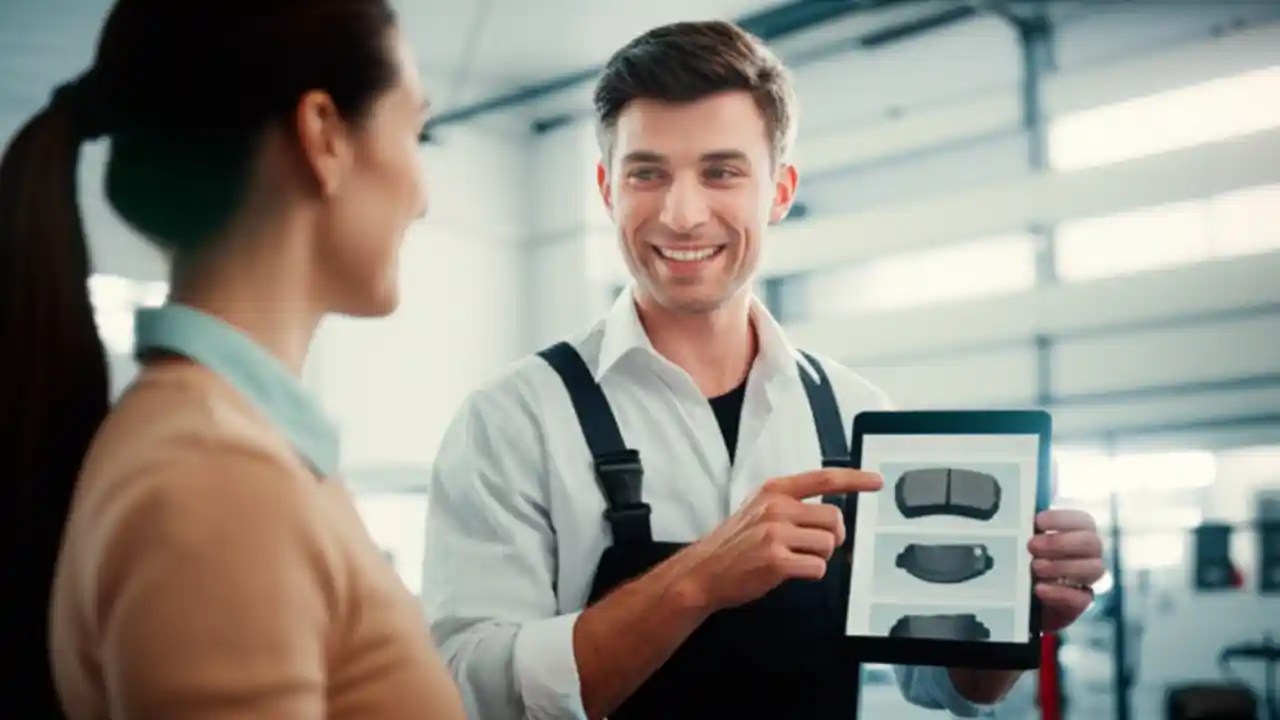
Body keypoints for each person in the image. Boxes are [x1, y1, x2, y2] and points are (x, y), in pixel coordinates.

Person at [422, 19, 1105, 720]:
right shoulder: (513, 421)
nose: (682, 214)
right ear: (607, 189)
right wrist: (698, 581)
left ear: (779, 191)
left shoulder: (852, 411)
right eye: (647, 173)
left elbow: (938, 684)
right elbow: (462, 690)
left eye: (721, 172)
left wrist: (1021, 612)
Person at [0, 1, 466, 717]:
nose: (424, 197)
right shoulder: (217, 474)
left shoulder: (235, 446)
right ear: (324, 135)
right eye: (417, 130)